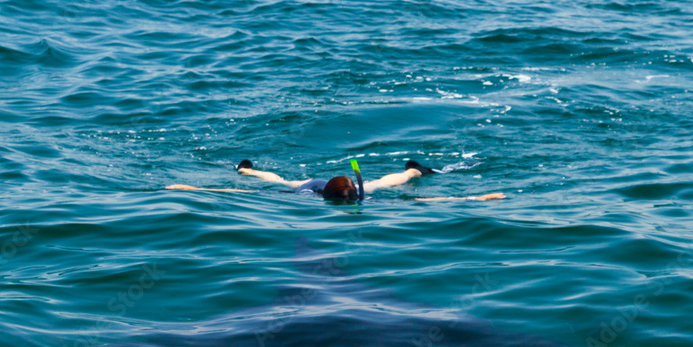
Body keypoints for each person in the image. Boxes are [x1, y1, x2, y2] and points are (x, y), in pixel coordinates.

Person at [166, 159, 505, 202]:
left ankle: (413, 169)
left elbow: (420, 202)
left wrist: (473, 200)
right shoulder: (312, 194)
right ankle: (246, 168)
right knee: (280, 181)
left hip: (354, 187)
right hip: (312, 182)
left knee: (390, 183)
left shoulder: (358, 195)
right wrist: (193, 189)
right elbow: (248, 196)